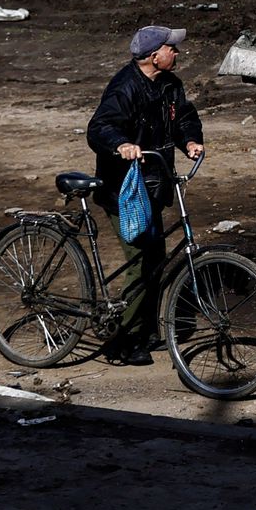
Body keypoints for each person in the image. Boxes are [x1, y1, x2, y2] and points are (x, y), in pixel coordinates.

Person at [86, 24, 205, 365]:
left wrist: (191, 142)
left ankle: (148, 330)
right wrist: (120, 144)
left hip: (155, 183)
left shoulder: (170, 85)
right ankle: (122, 342)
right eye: (172, 49)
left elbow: (184, 118)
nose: (178, 53)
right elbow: (99, 128)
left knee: (156, 260)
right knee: (140, 263)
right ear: (154, 56)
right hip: (124, 189)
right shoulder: (125, 87)